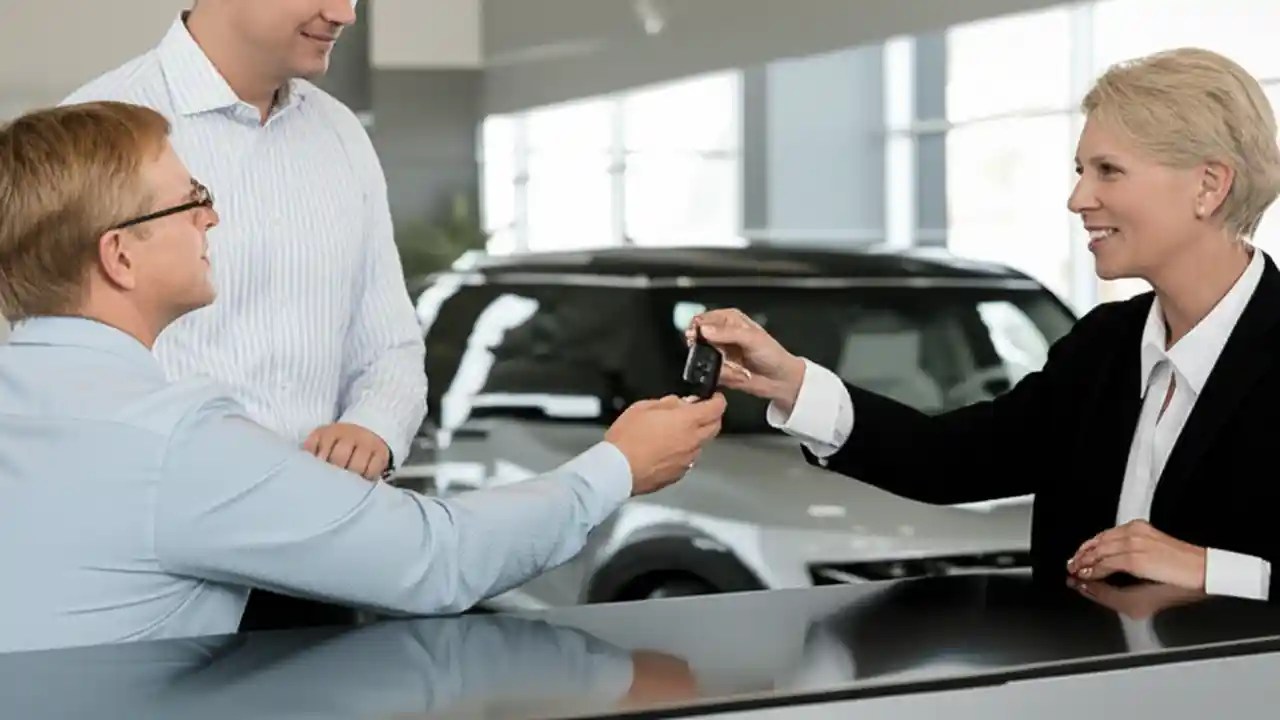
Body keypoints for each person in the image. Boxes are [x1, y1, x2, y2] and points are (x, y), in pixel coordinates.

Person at [0, 101, 726, 654]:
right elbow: (438, 560)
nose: (211, 219)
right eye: (190, 199)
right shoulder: (172, 443)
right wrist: (617, 467)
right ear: (120, 256)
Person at [689, 47, 1280, 602]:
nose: (1078, 198)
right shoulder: (1103, 345)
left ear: (1209, 185)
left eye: (1108, 171)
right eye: (1081, 170)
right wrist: (792, 383)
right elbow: (949, 460)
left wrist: (1211, 569)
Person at [63, 1, 420, 482]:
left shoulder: (341, 134)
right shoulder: (91, 132)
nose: (344, 13)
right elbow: (68, 374)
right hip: (160, 512)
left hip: (322, 510)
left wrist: (373, 426)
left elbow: (390, 344)